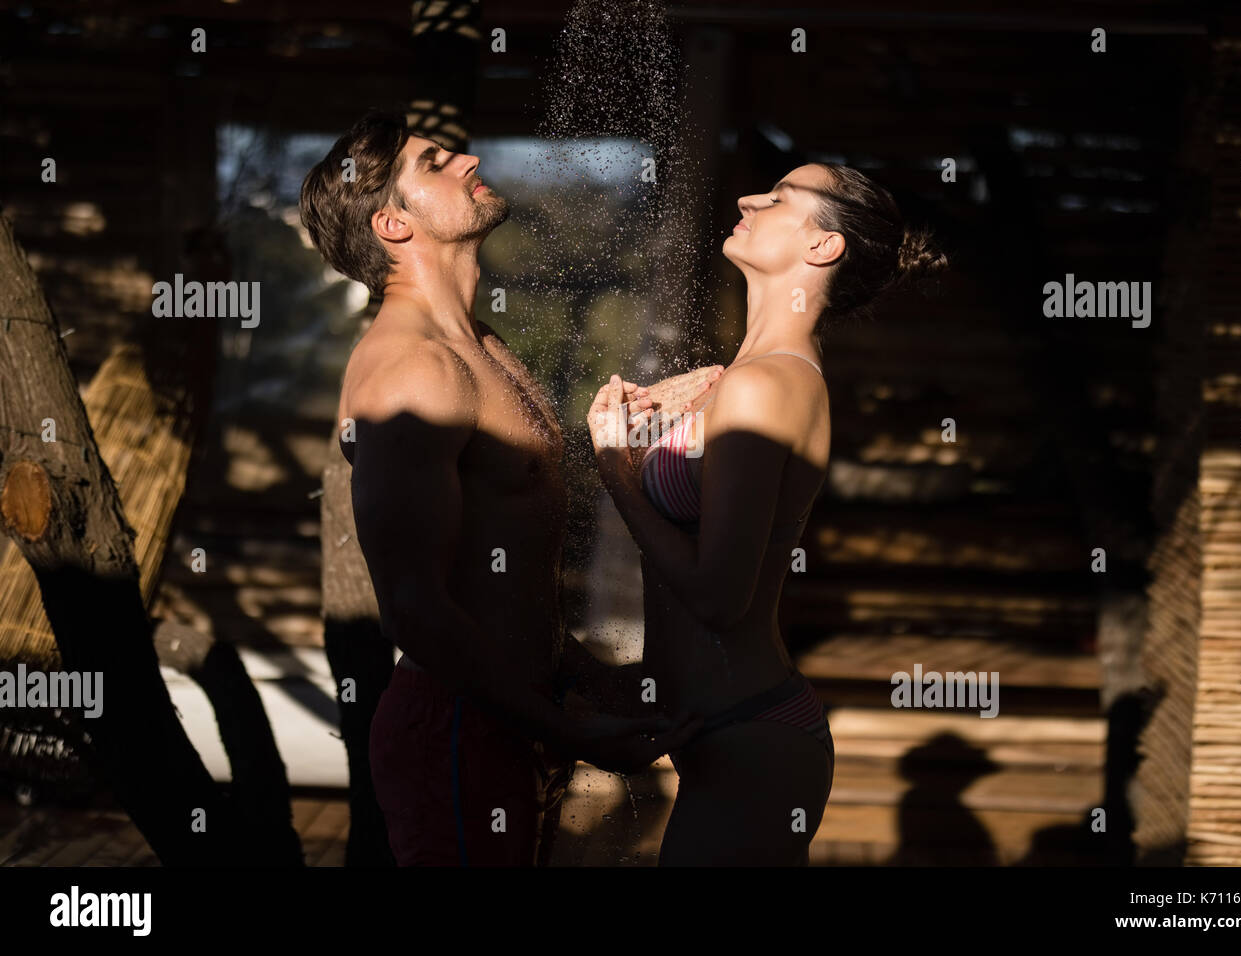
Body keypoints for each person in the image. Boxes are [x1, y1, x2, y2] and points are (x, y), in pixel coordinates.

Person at [299, 111, 707, 866]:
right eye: (434, 162)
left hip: (515, 721)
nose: (468, 158)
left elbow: (508, 588)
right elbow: (415, 611)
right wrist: (566, 728)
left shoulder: (481, 345)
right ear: (393, 223)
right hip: (456, 730)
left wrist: (600, 688)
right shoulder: (412, 370)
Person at [587, 162, 947, 864]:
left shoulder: (764, 386)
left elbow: (721, 598)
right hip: (721, 729)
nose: (749, 196)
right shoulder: (743, 379)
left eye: (780, 198)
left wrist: (618, 473)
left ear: (823, 247)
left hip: (750, 736)